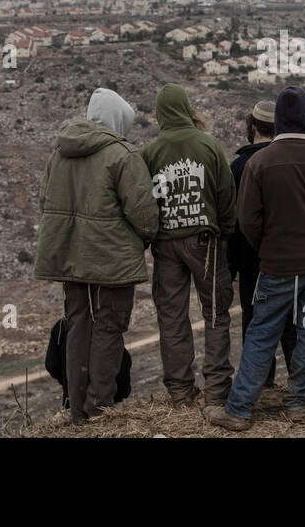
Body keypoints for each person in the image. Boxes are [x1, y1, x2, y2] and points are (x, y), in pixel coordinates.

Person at [205, 86, 305, 430]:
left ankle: (239, 410)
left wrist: (267, 246)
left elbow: (248, 221)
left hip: (276, 266)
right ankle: (298, 402)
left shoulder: (259, 162)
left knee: (262, 333)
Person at [34, 88, 159, 422]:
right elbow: (144, 213)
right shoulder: (122, 154)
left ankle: (77, 409)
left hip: (69, 259)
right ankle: (99, 407)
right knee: (108, 327)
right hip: (111, 261)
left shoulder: (60, 152)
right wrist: (143, 239)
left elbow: (45, 203)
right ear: (118, 120)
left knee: (78, 328)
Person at [140, 83, 238, 408]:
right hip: (205, 242)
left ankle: (181, 393)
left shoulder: (150, 153)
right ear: (186, 108)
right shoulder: (208, 145)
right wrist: (224, 233)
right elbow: (226, 194)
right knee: (214, 314)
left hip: (166, 244)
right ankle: (216, 392)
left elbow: (144, 201)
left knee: (172, 317)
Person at [226, 100, 299, 389]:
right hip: (288, 257)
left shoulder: (239, 166)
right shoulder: (290, 162)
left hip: (249, 259)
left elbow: (233, 220)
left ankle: (261, 385)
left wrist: (231, 264)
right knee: (290, 325)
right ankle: (303, 386)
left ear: (252, 127)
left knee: (255, 323)